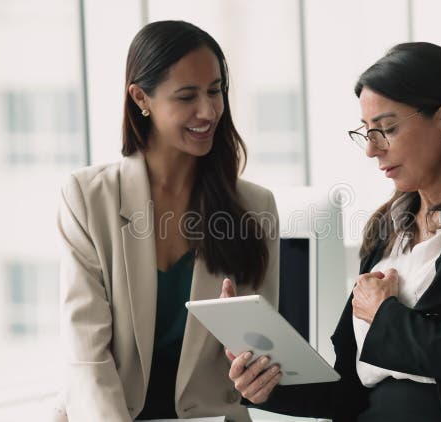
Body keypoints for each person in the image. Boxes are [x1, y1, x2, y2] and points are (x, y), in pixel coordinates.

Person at [225, 42, 441, 422]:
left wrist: (385, 316)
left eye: (387, 129)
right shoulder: (386, 228)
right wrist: (267, 385)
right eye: (366, 132)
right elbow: (350, 391)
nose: (371, 149)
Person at [52, 20, 279, 422]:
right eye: (187, 96)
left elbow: (262, 355)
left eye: (215, 91)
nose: (208, 111)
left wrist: (256, 375)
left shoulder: (255, 207)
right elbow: (87, 358)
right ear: (142, 98)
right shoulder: (87, 199)